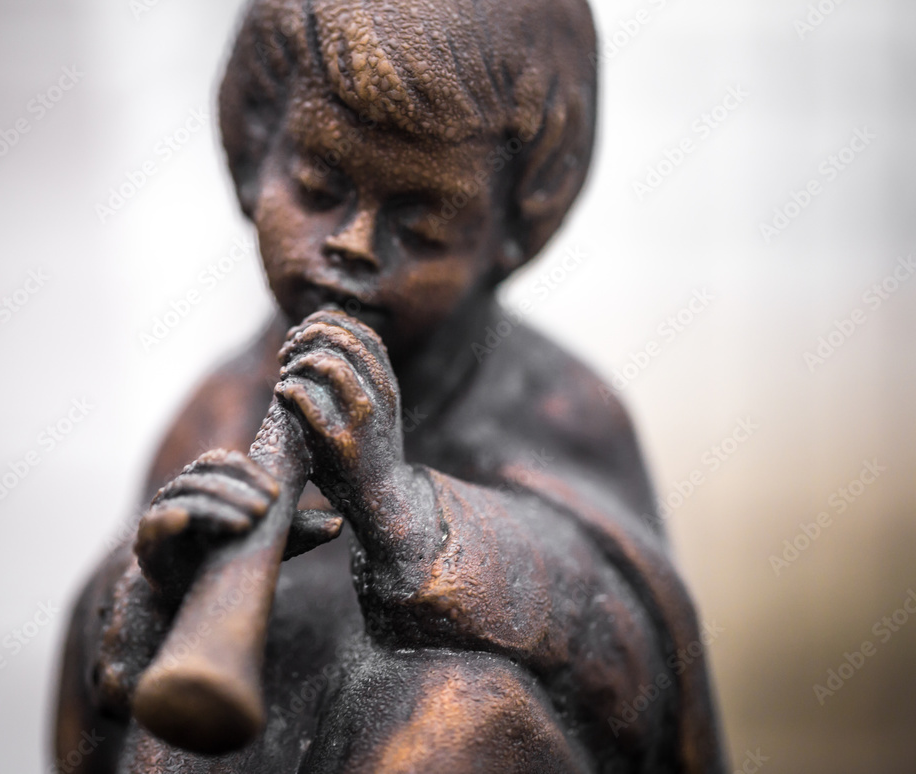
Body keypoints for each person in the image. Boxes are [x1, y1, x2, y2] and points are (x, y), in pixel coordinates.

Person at [54, 0, 727, 771]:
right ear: (251, 163)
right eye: (315, 189)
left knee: (461, 712)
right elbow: (99, 692)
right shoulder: (220, 408)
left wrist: (402, 509)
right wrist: (150, 595)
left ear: (512, 232)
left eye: (423, 228)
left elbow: (634, 648)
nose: (352, 246)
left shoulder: (563, 408)